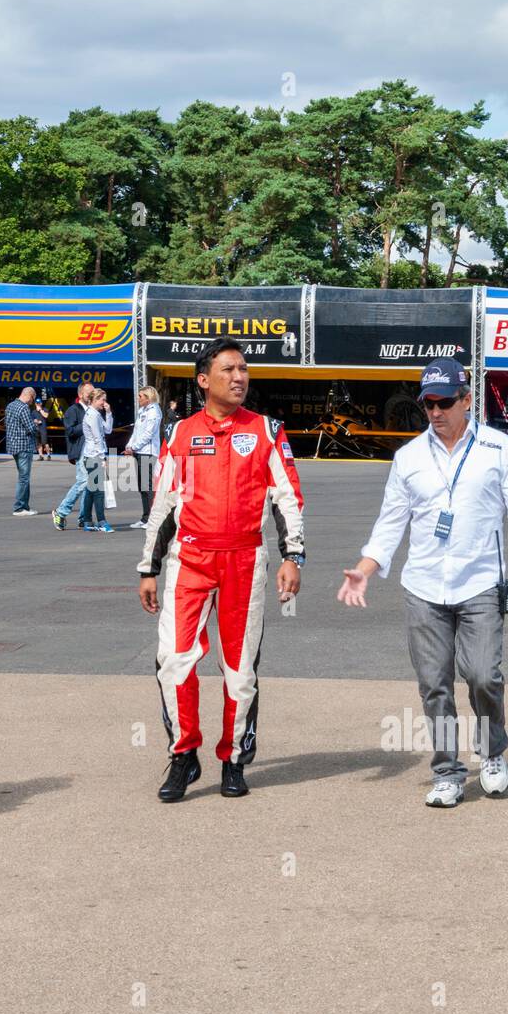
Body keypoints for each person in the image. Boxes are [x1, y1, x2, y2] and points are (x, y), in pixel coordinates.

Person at [338, 358, 508, 809]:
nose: (435, 411)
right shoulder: (409, 457)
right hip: (424, 589)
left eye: (445, 401)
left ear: (467, 400)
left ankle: (491, 753)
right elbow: (390, 524)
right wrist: (365, 569)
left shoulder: (498, 448)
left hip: (481, 585)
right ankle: (448, 772)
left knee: (483, 675)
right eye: (428, 403)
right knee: (434, 684)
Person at [138, 337, 305, 802]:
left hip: (244, 561)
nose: (239, 377)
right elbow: (164, 505)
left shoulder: (267, 430)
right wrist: (148, 568)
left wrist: (294, 556)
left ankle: (233, 758)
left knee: (239, 670)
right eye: (229, 369)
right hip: (188, 561)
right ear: (203, 379)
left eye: (244, 369)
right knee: (173, 660)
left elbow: (287, 497)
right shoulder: (180, 434)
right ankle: (183, 754)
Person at [52, 382, 95, 530]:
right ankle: (61, 511)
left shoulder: (95, 410)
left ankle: (83, 518)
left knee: (90, 485)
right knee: (83, 481)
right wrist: (86, 423)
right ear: (80, 394)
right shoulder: (73, 410)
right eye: (89, 392)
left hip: (93, 452)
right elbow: (69, 431)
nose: (91, 395)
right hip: (81, 451)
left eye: (93, 392)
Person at [124, 385, 163, 529]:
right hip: (139, 451)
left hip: (148, 451)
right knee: (142, 486)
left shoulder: (154, 412)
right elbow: (136, 431)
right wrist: (130, 445)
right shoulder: (142, 411)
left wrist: (134, 447)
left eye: (140, 396)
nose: (138, 398)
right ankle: (145, 517)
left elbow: (148, 434)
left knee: (148, 487)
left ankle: (152, 519)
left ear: (148, 397)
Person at [79, 389, 113, 533]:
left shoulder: (96, 414)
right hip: (94, 455)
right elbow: (98, 437)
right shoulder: (92, 415)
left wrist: (109, 413)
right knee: (98, 491)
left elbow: (108, 429)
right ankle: (101, 521)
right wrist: (102, 457)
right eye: (102, 400)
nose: (104, 403)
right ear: (95, 399)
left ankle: (87, 521)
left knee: (91, 489)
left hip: (91, 455)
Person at [4, 387, 38, 516]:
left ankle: (25, 506)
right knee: (24, 478)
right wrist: (35, 424)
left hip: (13, 446)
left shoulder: (10, 406)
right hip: (24, 446)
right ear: (29, 396)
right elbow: (30, 428)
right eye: (33, 399)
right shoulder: (24, 408)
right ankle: (19, 507)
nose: (32, 402)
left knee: (23, 477)